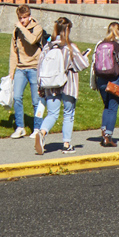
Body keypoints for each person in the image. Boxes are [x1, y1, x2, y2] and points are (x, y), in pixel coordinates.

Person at [31, 17, 84, 155]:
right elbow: (81, 64)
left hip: (50, 85)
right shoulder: (70, 48)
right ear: (68, 30)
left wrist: (40, 86)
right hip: (68, 85)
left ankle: (42, 132)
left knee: (52, 113)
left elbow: (40, 68)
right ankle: (66, 144)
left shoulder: (48, 47)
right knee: (68, 114)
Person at [90, 21, 119, 146]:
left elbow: (93, 64)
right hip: (115, 79)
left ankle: (104, 132)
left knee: (106, 106)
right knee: (113, 107)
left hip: (101, 79)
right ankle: (108, 137)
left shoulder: (100, 43)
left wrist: (93, 83)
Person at [7, 5, 46, 138]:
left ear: (29, 16)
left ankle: (37, 128)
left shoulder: (37, 28)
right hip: (20, 68)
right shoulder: (16, 31)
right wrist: (11, 71)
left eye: (24, 18)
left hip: (35, 68)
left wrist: (22, 27)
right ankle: (20, 127)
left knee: (37, 100)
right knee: (17, 97)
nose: (22, 20)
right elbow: (13, 51)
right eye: (20, 18)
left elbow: (32, 40)